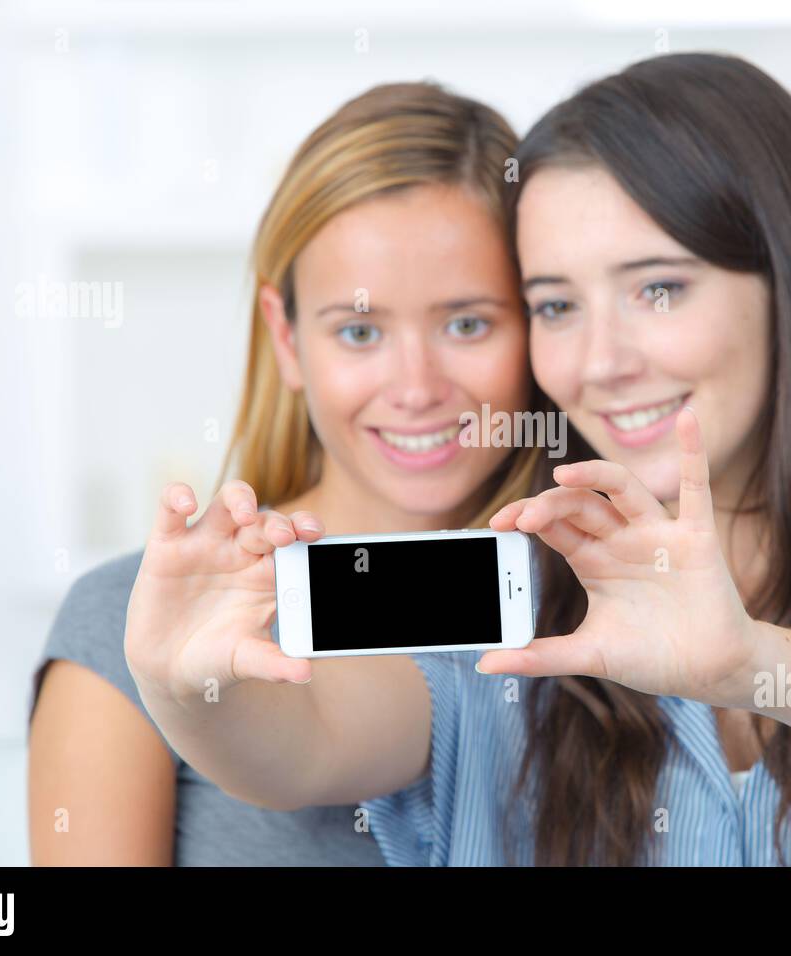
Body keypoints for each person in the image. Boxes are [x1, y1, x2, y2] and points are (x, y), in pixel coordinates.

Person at [127, 54, 791, 866]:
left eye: (658, 287)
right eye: (555, 305)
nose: (602, 362)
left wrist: (750, 660)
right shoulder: (497, 581)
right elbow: (299, 741)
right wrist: (185, 686)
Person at [27, 81, 545, 865]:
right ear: (287, 336)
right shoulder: (126, 629)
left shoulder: (600, 602)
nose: (415, 386)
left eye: (467, 323)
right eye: (361, 330)